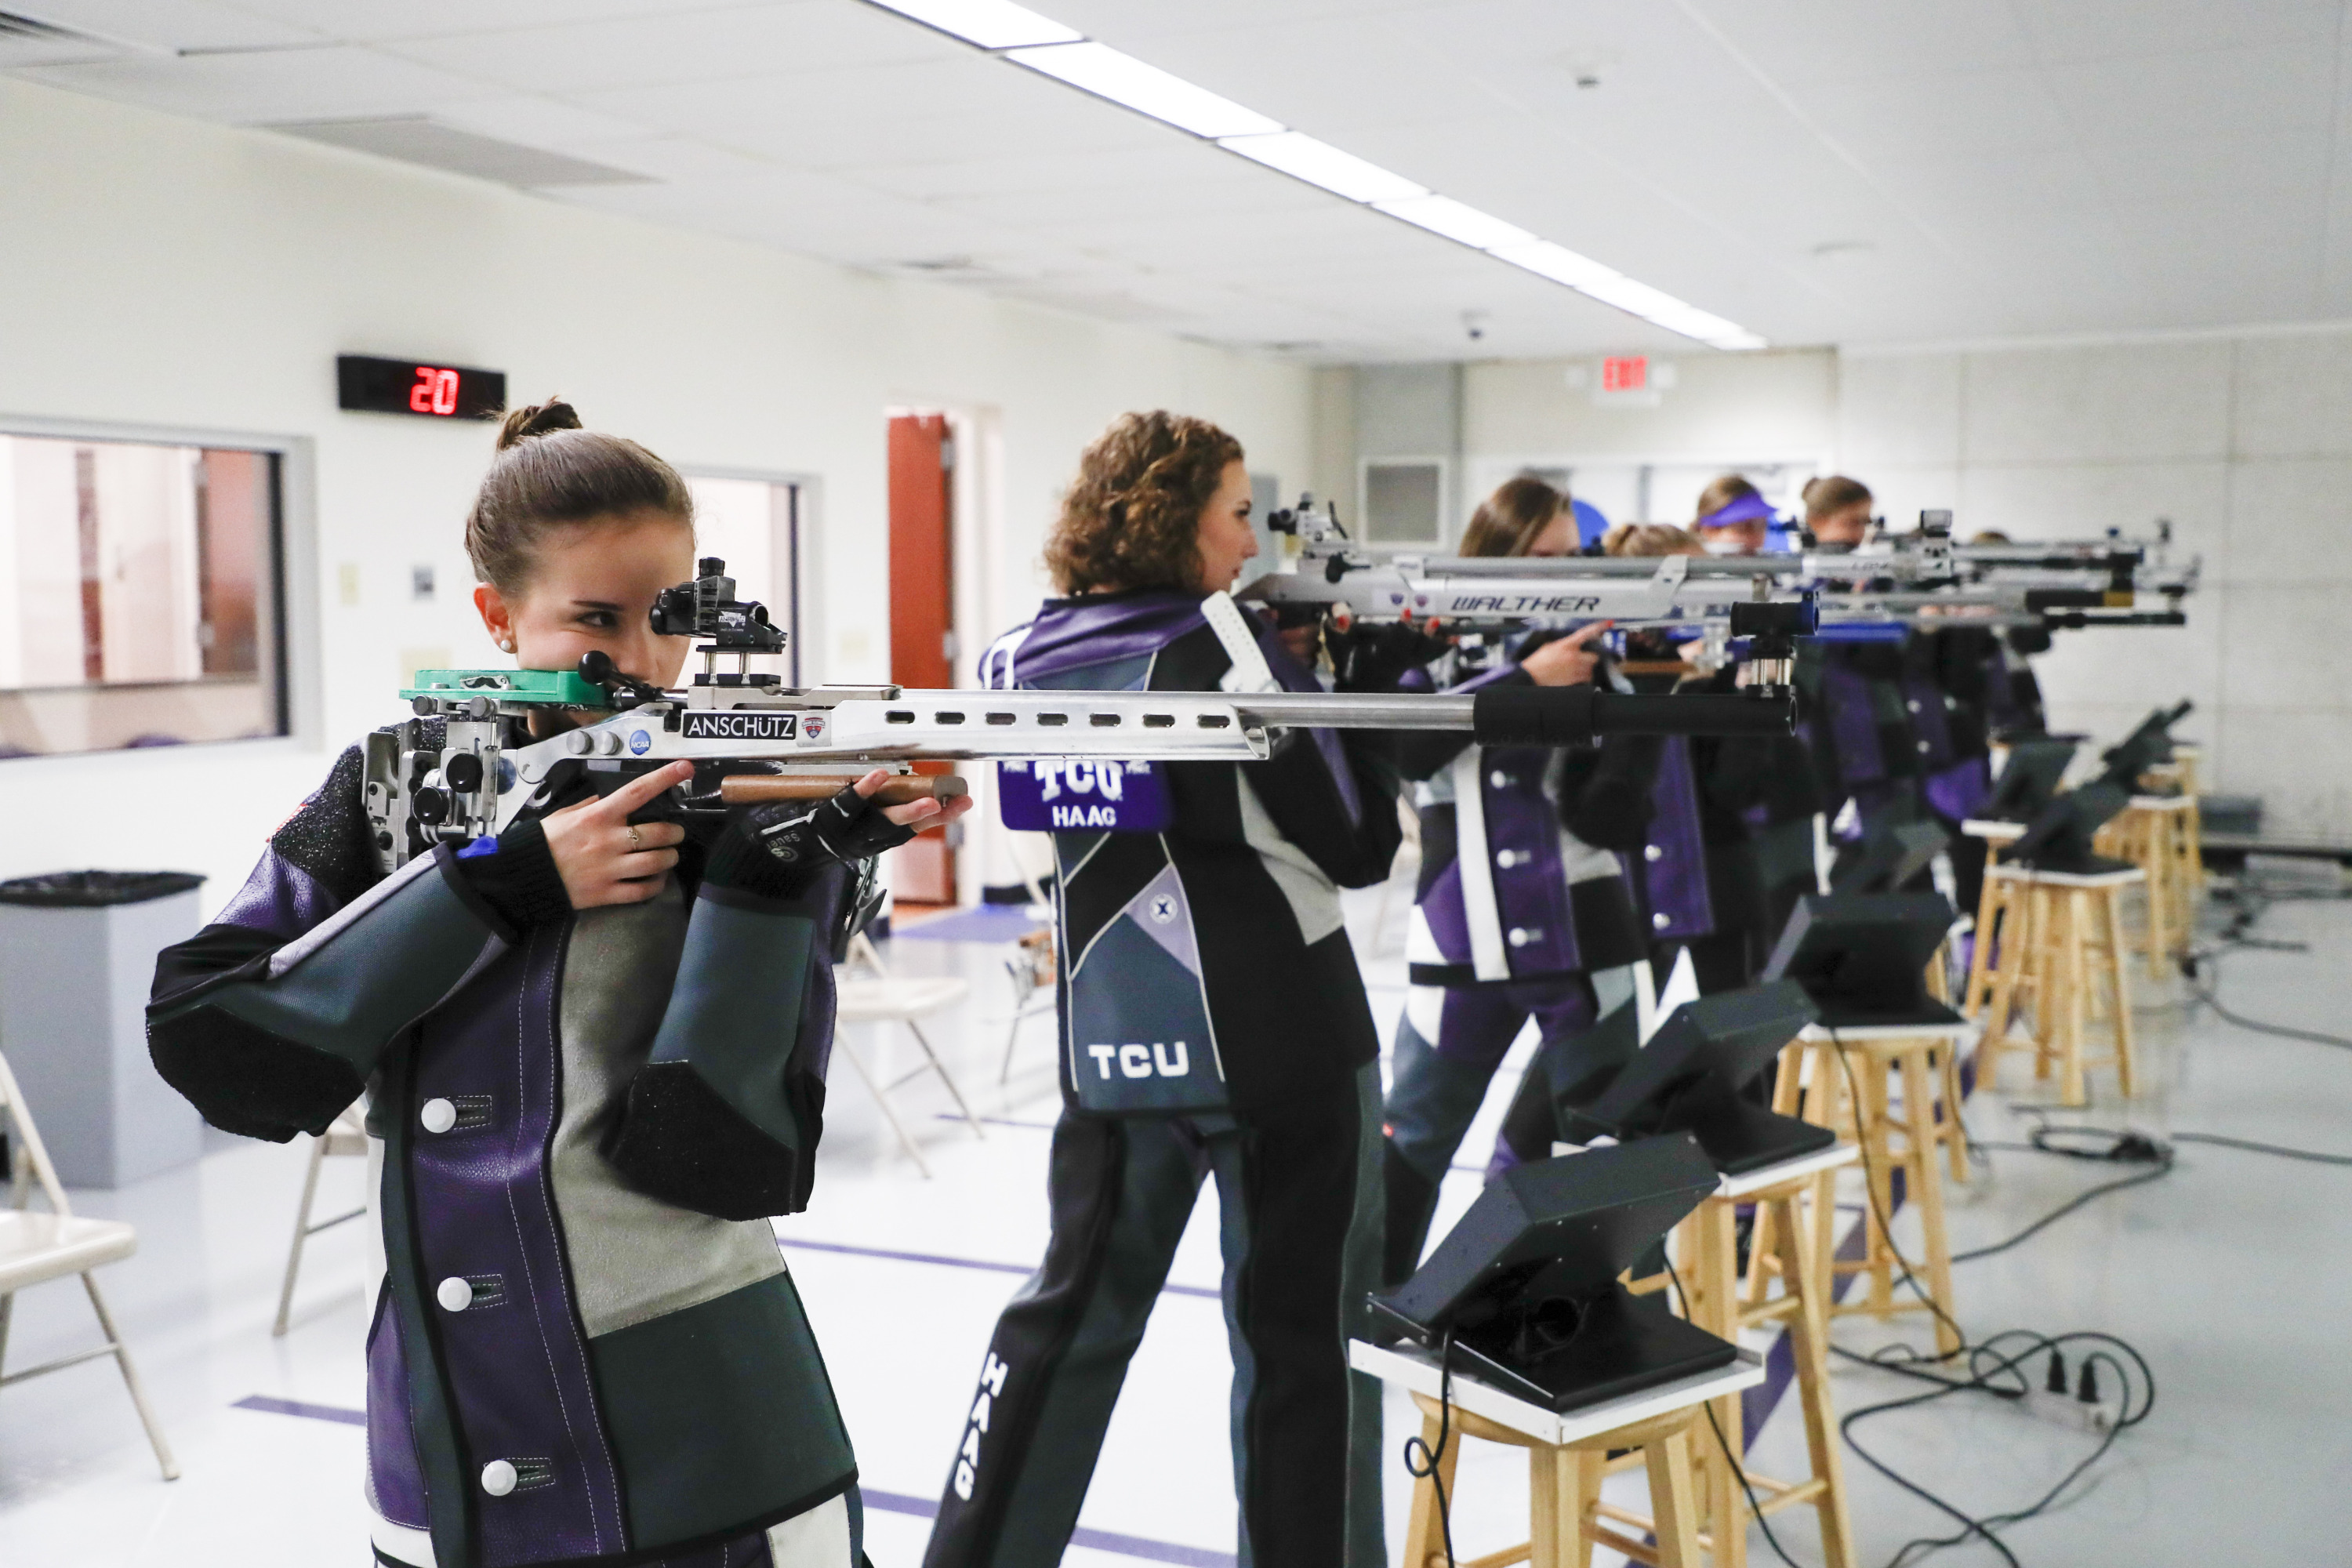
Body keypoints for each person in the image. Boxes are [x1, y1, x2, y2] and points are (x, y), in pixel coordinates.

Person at [147, 401, 969, 1568]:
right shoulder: (399, 781)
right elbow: (214, 1041)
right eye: (595, 620)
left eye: (669, 620)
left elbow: (726, 1150)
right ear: (498, 615)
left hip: (705, 1430)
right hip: (446, 1437)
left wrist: (810, 856)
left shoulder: (737, 780)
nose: (640, 661)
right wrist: (501, 884)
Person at [927, 412, 1401, 1568]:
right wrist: (1367, 680)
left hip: (1111, 1039)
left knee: (1065, 1326)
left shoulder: (1011, 654)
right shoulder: (1234, 653)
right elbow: (1357, 843)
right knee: (1302, 1353)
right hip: (1290, 1043)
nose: (1250, 542)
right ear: (1176, 517)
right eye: (1238, 513)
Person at [1377, 477, 1650, 1285]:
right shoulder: (1427, 638)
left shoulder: (1600, 644)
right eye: (1544, 558)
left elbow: (1618, 808)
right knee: (1415, 1136)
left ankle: (1555, 1318)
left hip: (1587, 924)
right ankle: (1375, 1310)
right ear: (1493, 555)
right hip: (1458, 927)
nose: (1564, 575)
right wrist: (1527, 682)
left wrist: (1639, 702)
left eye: (1575, 559)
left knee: (1598, 1145)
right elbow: (1404, 751)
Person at [1692, 473, 1776, 554]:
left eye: (1762, 526)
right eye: (1745, 528)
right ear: (1710, 530)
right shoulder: (1684, 565)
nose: (1756, 536)